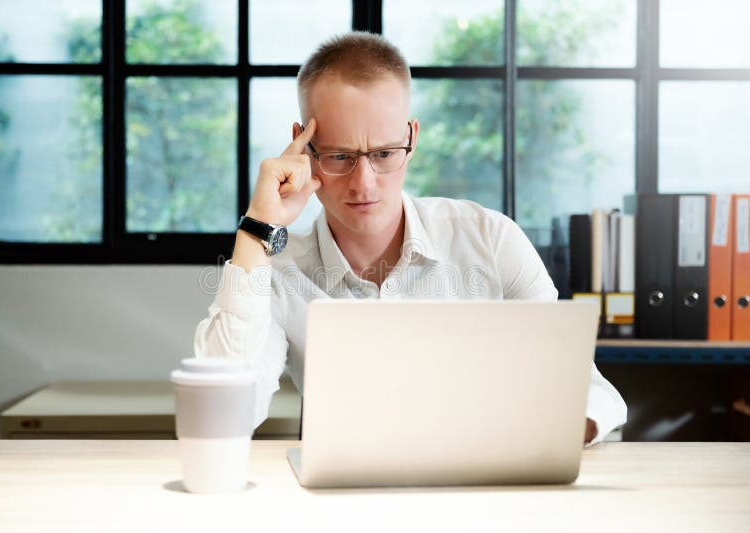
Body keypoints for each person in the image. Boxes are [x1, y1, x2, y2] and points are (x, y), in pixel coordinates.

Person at [194, 31, 627, 446]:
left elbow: (589, 390)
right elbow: (220, 416)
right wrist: (257, 227)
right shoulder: (280, 272)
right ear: (302, 148)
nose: (363, 184)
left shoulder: (490, 240)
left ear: (411, 139)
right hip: (343, 499)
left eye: (383, 154)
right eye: (340, 156)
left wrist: (556, 427)